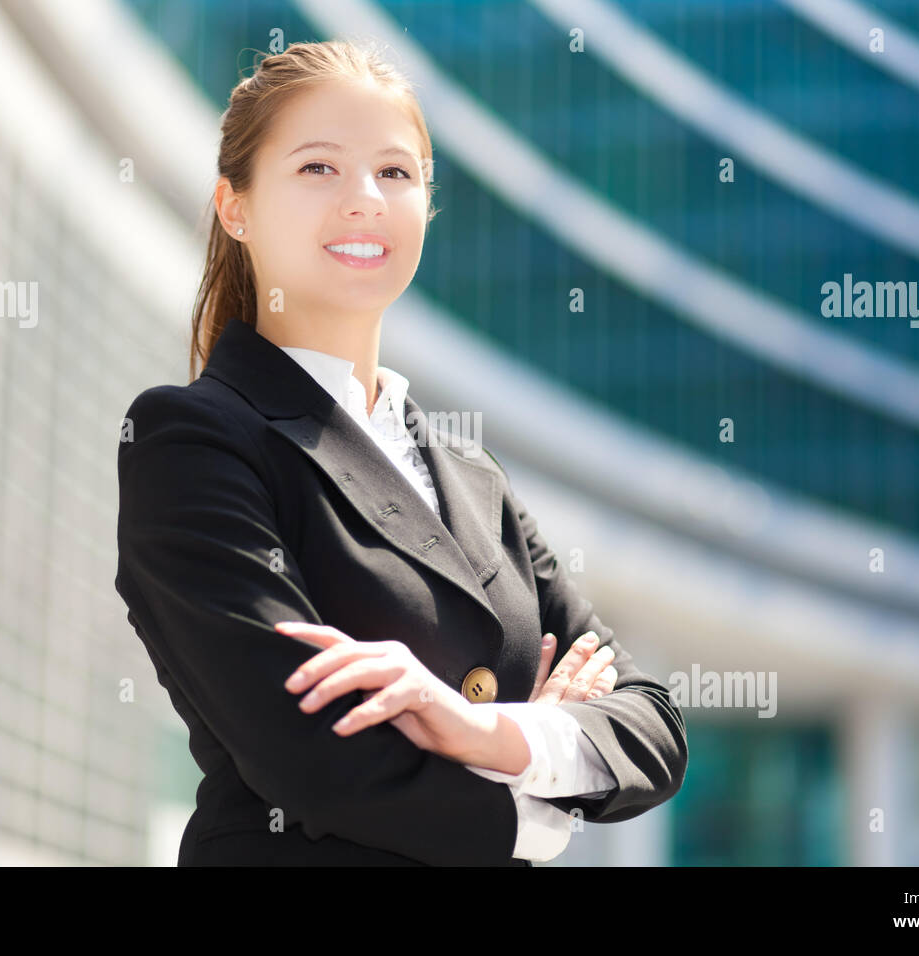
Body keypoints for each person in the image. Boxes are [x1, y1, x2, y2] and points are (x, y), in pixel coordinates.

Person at [114, 38, 687, 866]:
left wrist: (490, 733)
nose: (364, 200)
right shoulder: (195, 440)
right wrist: (537, 814)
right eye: (318, 168)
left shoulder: (471, 476)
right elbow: (310, 756)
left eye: (395, 173)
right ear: (234, 206)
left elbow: (654, 722)